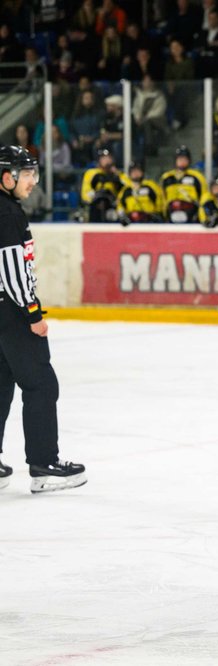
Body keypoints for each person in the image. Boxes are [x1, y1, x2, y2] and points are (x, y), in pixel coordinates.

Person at [0, 146, 86, 494]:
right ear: (7, 177)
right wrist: (33, 312)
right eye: (27, 173)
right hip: (13, 314)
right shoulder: (8, 214)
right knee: (41, 384)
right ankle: (44, 464)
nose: (33, 181)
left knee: (2, 385)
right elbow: (12, 270)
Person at [161, 146, 208, 223]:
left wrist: (201, 216)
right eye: (180, 159)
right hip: (171, 215)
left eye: (184, 159)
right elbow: (163, 199)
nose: (182, 161)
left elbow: (204, 197)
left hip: (192, 216)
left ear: (189, 160)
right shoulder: (167, 178)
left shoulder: (197, 177)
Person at [81, 148, 129, 222]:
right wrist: (94, 197)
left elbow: (128, 189)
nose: (107, 160)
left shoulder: (119, 174)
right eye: (103, 158)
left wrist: (116, 177)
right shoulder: (92, 173)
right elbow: (86, 192)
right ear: (99, 160)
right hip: (96, 206)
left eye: (109, 157)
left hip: (113, 207)